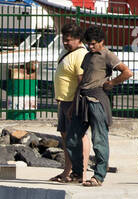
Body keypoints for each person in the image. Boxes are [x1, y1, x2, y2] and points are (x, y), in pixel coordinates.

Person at [72, 26, 133, 187]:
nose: (90, 47)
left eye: (93, 44)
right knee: (72, 138)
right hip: (82, 100)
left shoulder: (107, 55)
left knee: (99, 140)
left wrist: (111, 83)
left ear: (101, 42)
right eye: (88, 44)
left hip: (97, 101)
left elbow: (127, 72)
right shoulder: (87, 56)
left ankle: (98, 176)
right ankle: (78, 173)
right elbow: (84, 78)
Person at [50, 24, 87, 184]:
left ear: (78, 39)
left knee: (80, 137)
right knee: (66, 137)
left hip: (73, 103)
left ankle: (82, 171)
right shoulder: (68, 53)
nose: (65, 42)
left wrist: (74, 105)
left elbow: (82, 81)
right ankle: (68, 170)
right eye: (64, 39)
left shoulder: (80, 55)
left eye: (68, 40)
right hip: (64, 101)